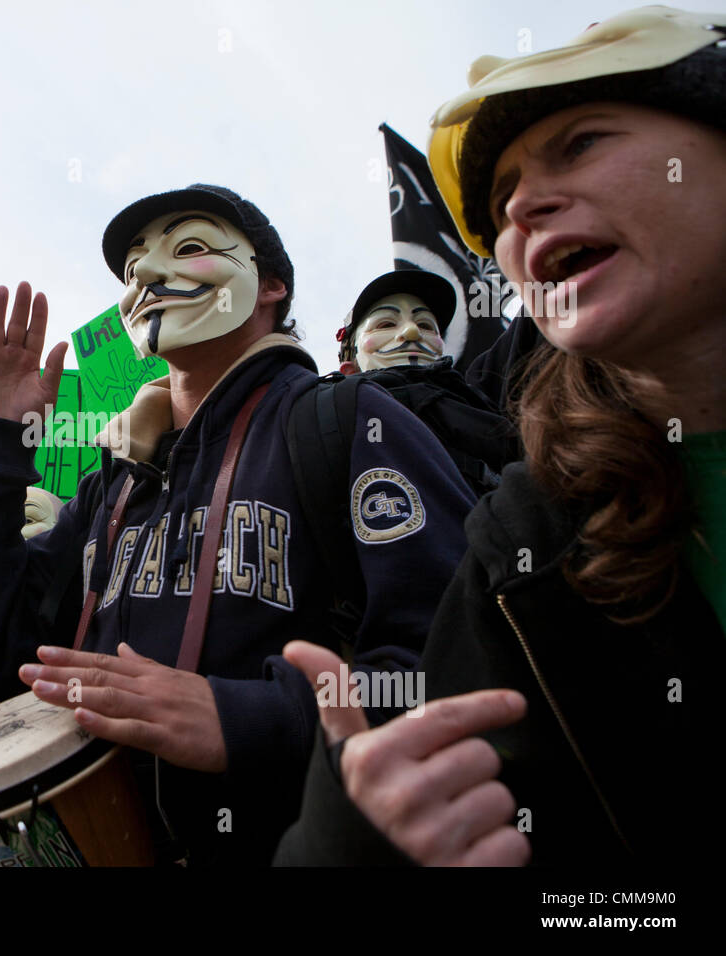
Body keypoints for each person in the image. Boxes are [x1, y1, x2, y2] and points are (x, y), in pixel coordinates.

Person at [276, 5, 726, 866]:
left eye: (583, 140)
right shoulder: (525, 538)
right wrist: (355, 833)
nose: (520, 205)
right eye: (499, 197)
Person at [0, 184, 476, 865]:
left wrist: (247, 718)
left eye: (187, 249)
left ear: (272, 284)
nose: (148, 277)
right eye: (132, 271)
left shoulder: (349, 424)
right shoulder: (112, 484)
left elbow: (454, 663)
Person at [333, 269, 519, 495]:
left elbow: (538, 319)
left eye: (425, 325)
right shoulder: (333, 422)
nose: (412, 332)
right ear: (349, 370)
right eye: (385, 324)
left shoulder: (480, 395)